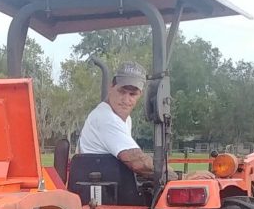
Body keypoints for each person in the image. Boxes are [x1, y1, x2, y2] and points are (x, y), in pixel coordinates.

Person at [78, 61, 214, 181]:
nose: (126, 100)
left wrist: (172, 172)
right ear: (111, 87)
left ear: (140, 94)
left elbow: (138, 159)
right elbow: (138, 162)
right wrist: (181, 177)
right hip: (100, 189)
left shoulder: (124, 119)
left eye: (132, 94)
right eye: (122, 91)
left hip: (112, 183)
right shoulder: (105, 118)